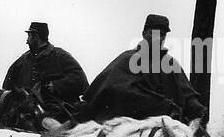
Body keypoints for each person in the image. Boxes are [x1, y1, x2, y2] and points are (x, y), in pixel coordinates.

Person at [76, 14, 205, 124]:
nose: (159, 38)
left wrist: (197, 110)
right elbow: (114, 89)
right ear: (144, 34)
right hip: (129, 124)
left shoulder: (170, 64)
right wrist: (159, 105)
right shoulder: (128, 59)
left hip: (166, 126)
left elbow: (187, 94)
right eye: (154, 34)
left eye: (163, 35)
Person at [2, 21, 87, 119]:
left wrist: (55, 86)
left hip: (58, 114)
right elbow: (7, 86)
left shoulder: (60, 56)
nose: (26, 41)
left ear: (35, 36)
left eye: (29, 36)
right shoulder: (21, 61)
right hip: (27, 114)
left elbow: (80, 79)